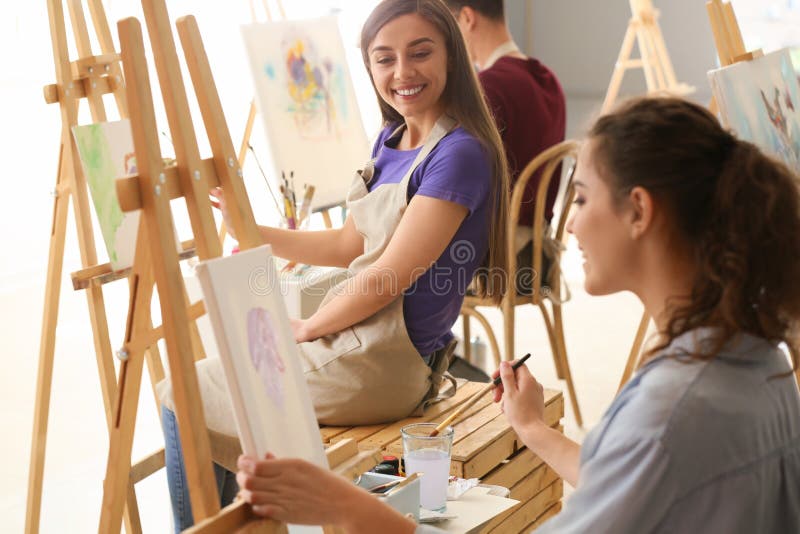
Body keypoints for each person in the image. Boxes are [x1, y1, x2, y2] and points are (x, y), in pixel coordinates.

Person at [235, 97, 800, 533]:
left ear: (639, 211)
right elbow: (640, 483)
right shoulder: (755, 358)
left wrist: (348, 507)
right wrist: (530, 428)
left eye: (579, 198)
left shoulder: (673, 408)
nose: (570, 224)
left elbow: (652, 451)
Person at [158, 0, 510, 530]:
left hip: (385, 363)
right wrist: (249, 230)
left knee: (180, 389)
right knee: (210, 376)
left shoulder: (458, 153)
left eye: (420, 53)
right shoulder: (393, 140)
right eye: (384, 59)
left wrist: (305, 328)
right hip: (361, 341)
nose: (402, 72)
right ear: (368, 68)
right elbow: (349, 245)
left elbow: (386, 273)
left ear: (452, 56)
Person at [445, 0, 566, 292]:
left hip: (499, 263)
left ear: (467, 18)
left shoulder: (487, 87)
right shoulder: (546, 78)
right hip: (538, 257)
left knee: (399, 268)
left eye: (447, 27)